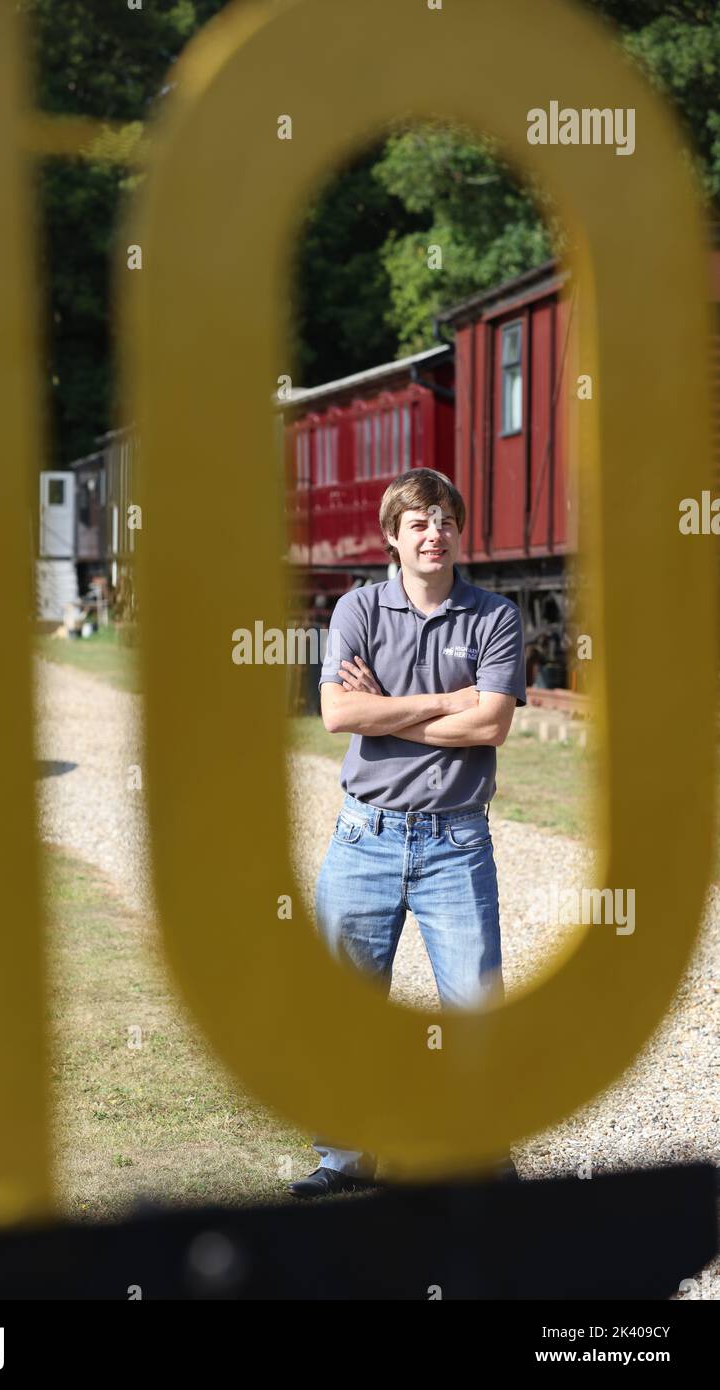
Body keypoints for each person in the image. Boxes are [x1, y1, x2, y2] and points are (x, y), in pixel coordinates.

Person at [288, 468, 526, 1199]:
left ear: (459, 530)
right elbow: (337, 716)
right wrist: (445, 703)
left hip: (456, 843)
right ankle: (346, 1158)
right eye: (418, 522)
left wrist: (389, 709)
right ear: (392, 536)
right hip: (364, 838)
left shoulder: (494, 616)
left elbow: (491, 723)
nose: (434, 533)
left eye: (445, 520)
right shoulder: (357, 610)